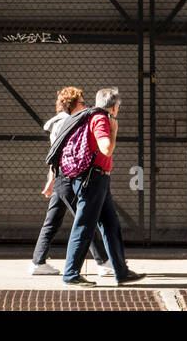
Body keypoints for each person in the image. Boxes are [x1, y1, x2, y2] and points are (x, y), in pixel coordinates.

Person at [62, 87, 145, 288]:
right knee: (84, 225)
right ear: (115, 106)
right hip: (93, 181)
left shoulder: (93, 115)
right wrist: (114, 132)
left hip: (99, 181)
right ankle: (71, 274)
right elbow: (106, 149)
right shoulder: (101, 119)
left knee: (111, 225)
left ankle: (121, 271)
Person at [29, 86, 112, 276]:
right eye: (82, 103)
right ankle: (103, 262)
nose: (85, 106)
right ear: (71, 105)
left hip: (61, 178)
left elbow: (56, 154)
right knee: (86, 219)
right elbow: (62, 152)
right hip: (68, 178)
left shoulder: (61, 122)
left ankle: (38, 261)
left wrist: (51, 180)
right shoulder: (68, 122)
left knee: (53, 220)